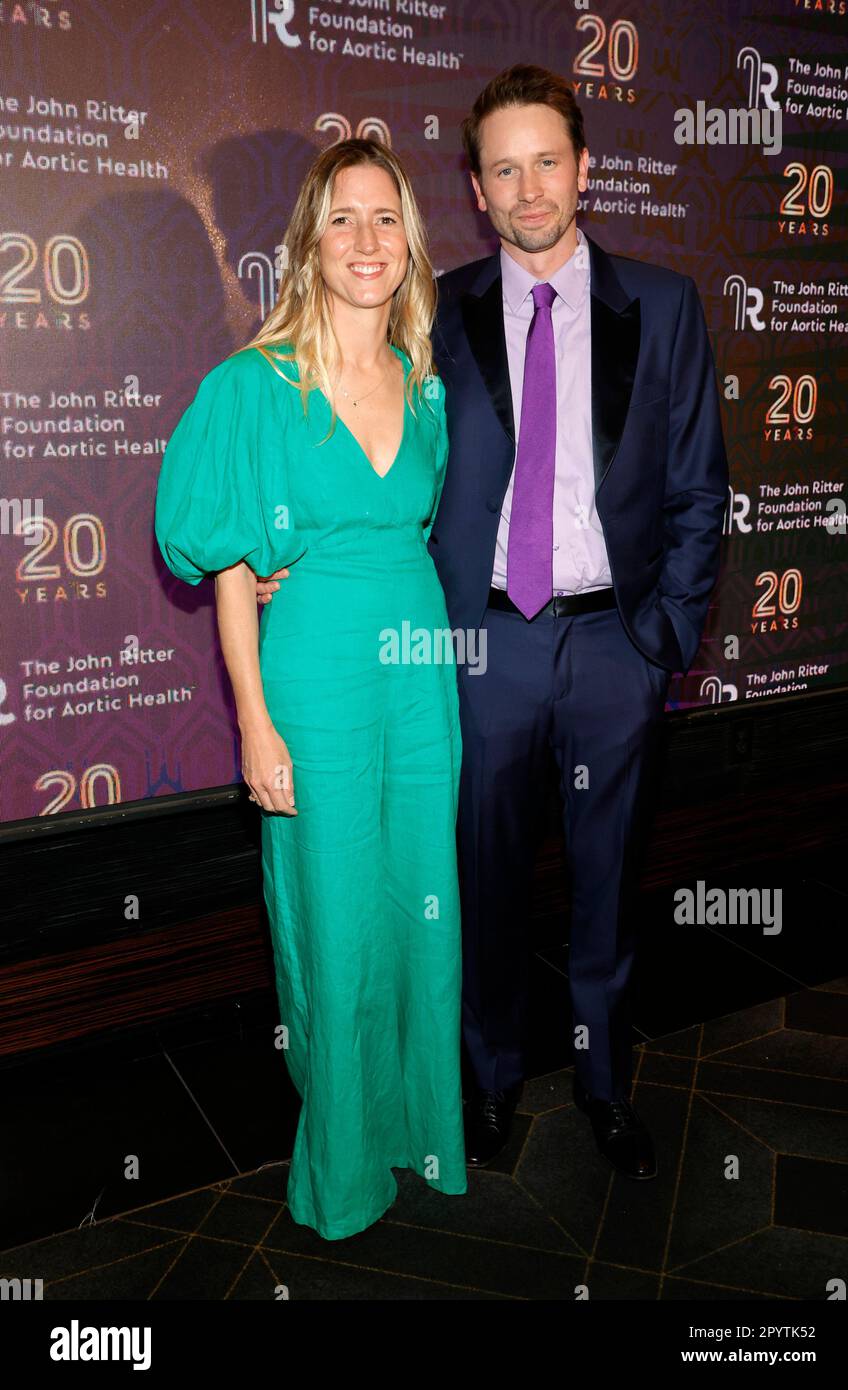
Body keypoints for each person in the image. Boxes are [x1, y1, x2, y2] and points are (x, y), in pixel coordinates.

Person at [257, 66, 730, 1182]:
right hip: (478, 646)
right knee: (477, 873)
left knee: (609, 879)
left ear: (583, 168)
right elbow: (361, 440)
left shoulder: (660, 306)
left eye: (546, 162)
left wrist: (661, 636)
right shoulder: (434, 313)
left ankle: (606, 1082)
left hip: (614, 642)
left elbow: (698, 490)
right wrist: (297, 551)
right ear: (474, 187)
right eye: (502, 168)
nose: (527, 188)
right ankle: (487, 1079)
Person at [154, 138, 467, 1240]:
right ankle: (342, 1168)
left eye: (385, 217)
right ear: (307, 242)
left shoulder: (422, 381)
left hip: (420, 679)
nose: (366, 239)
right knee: (334, 919)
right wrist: (254, 720)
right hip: (314, 679)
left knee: (418, 905)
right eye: (342, 218)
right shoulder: (256, 385)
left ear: (410, 241)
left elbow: (415, 532)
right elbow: (233, 565)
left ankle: (418, 1128)